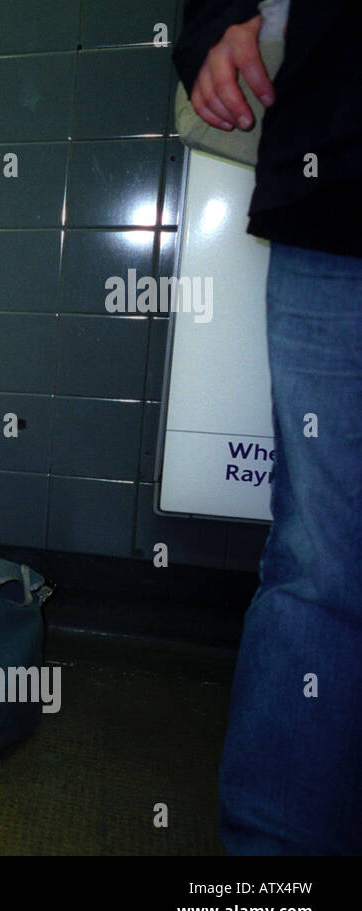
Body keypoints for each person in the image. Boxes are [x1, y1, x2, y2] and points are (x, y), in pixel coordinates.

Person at [174, 1, 362, 854]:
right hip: (339, 185)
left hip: (334, 182)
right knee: (318, 561)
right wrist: (219, 19)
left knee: (318, 564)